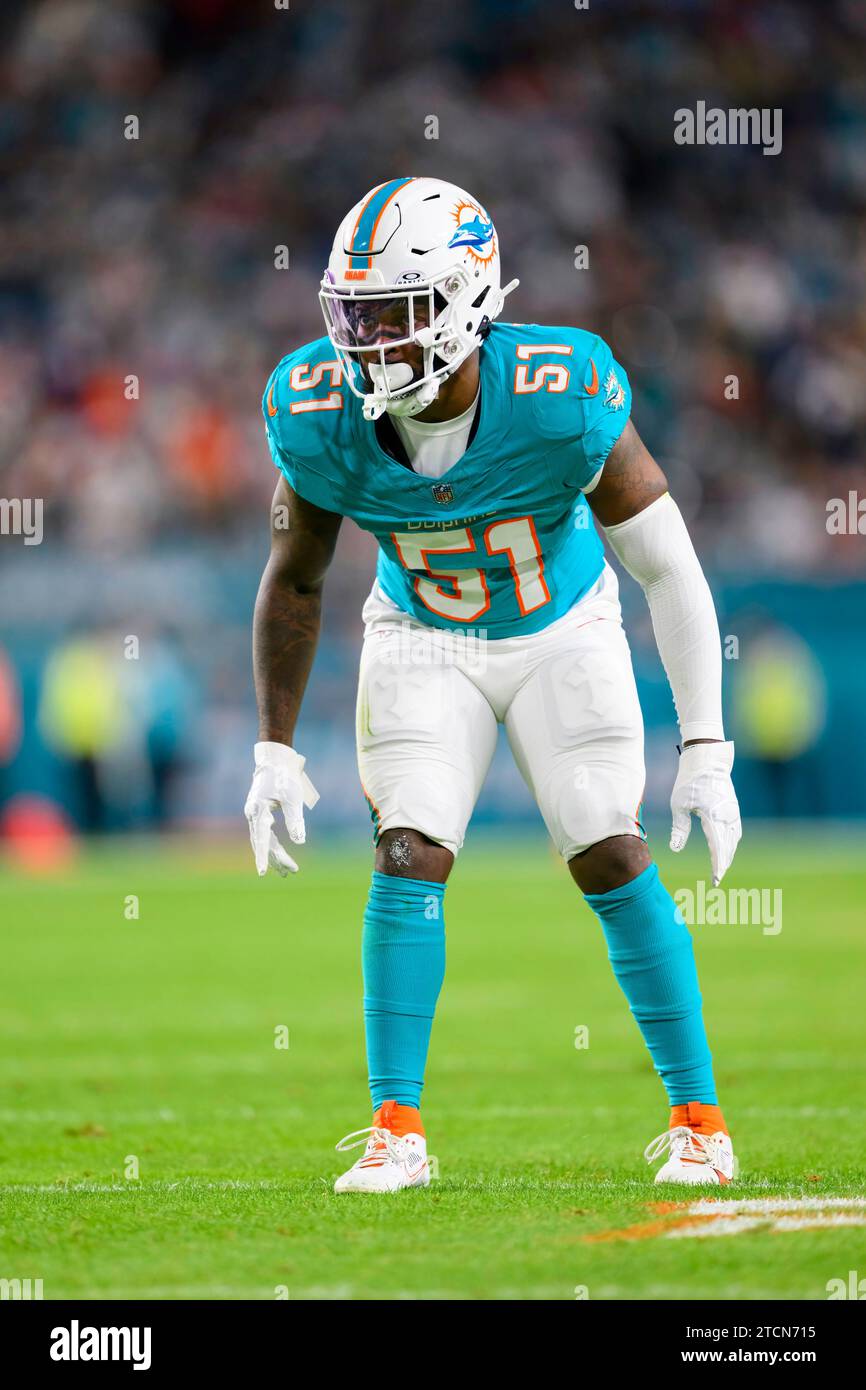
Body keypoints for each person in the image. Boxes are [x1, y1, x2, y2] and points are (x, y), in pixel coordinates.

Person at [245, 178, 742, 1193]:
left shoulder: (558, 396)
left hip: (560, 628)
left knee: (606, 843)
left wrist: (706, 746)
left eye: (396, 314)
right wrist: (271, 746)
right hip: (421, 634)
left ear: (469, 302)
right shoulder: (316, 410)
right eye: (357, 316)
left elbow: (667, 565)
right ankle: (395, 1130)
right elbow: (293, 578)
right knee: (406, 846)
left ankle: (699, 1123)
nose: (371, 342)